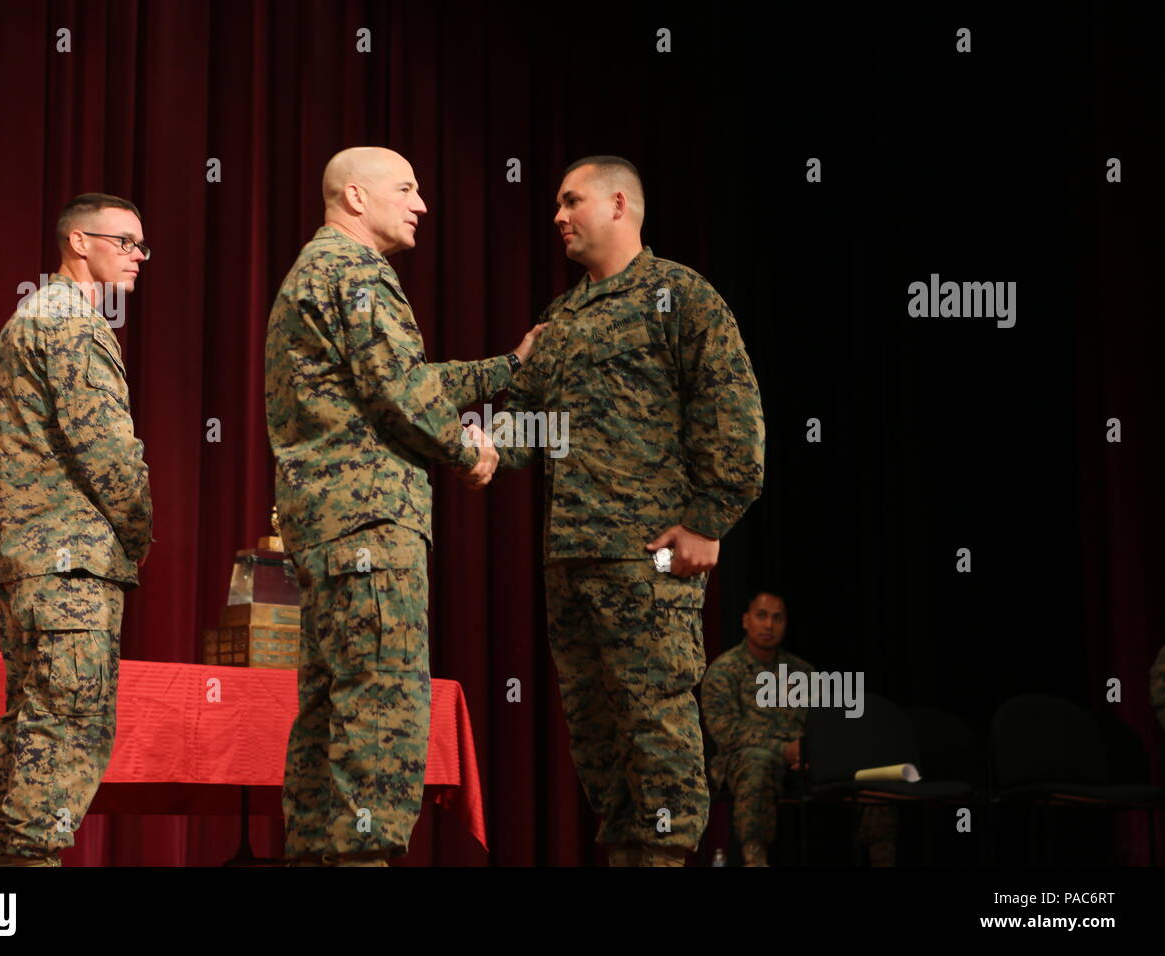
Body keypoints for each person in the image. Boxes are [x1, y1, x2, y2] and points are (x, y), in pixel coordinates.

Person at [266, 146, 544, 866]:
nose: (421, 204)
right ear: (355, 197)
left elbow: (395, 378)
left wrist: (506, 368)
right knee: (380, 715)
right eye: (408, 188)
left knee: (330, 713)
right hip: (371, 524)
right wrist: (470, 451)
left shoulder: (315, 271)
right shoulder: (356, 272)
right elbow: (401, 394)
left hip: (328, 530)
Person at [496, 156, 765, 866]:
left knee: (659, 737)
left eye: (570, 200)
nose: (557, 215)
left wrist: (710, 519)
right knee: (599, 746)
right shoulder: (562, 318)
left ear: (620, 205)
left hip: (647, 561)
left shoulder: (680, 296)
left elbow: (735, 416)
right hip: (572, 566)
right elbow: (529, 427)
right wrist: (475, 447)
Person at [0, 193, 153, 866]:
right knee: (67, 734)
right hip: (69, 565)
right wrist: (136, 535)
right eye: (126, 243)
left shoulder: (28, 318)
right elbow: (109, 455)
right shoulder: (75, 325)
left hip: (30, 561)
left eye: (143, 246)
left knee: (30, 728)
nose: (139, 257)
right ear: (79, 243)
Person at [701, 592, 897, 866]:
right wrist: (784, 751)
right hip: (745, 761)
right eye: (762, 616)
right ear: (746, 621)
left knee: (868, 764)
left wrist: (813, 753)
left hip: (804, 761)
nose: (769, 625)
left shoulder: (802, 671)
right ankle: (755, 860)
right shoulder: (724, 670)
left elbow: (827, 723)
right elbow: (726, 732)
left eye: (777, 618)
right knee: (757, 762)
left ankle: (882, 858)